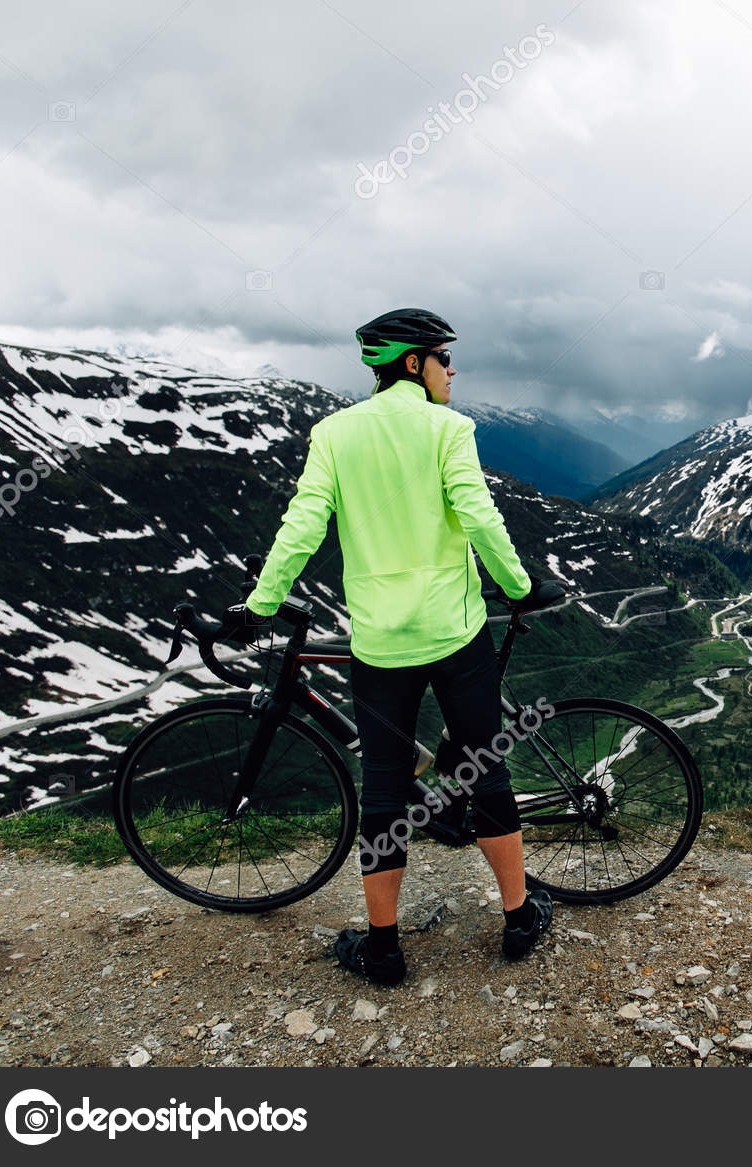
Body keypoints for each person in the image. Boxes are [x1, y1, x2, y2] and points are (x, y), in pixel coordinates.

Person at [221, 307, 554, 986]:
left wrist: (260, 603)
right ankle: (518, 917)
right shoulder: (448, 429)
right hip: (457, 634)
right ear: (413, 363)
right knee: (487, 770)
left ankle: (384, 948)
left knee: (382, 790)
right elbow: (478, 514)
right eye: (444, 357)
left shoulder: (335, 434)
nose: (452, 369)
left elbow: (302, 524)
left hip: (380, 643)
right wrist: (517, 586)